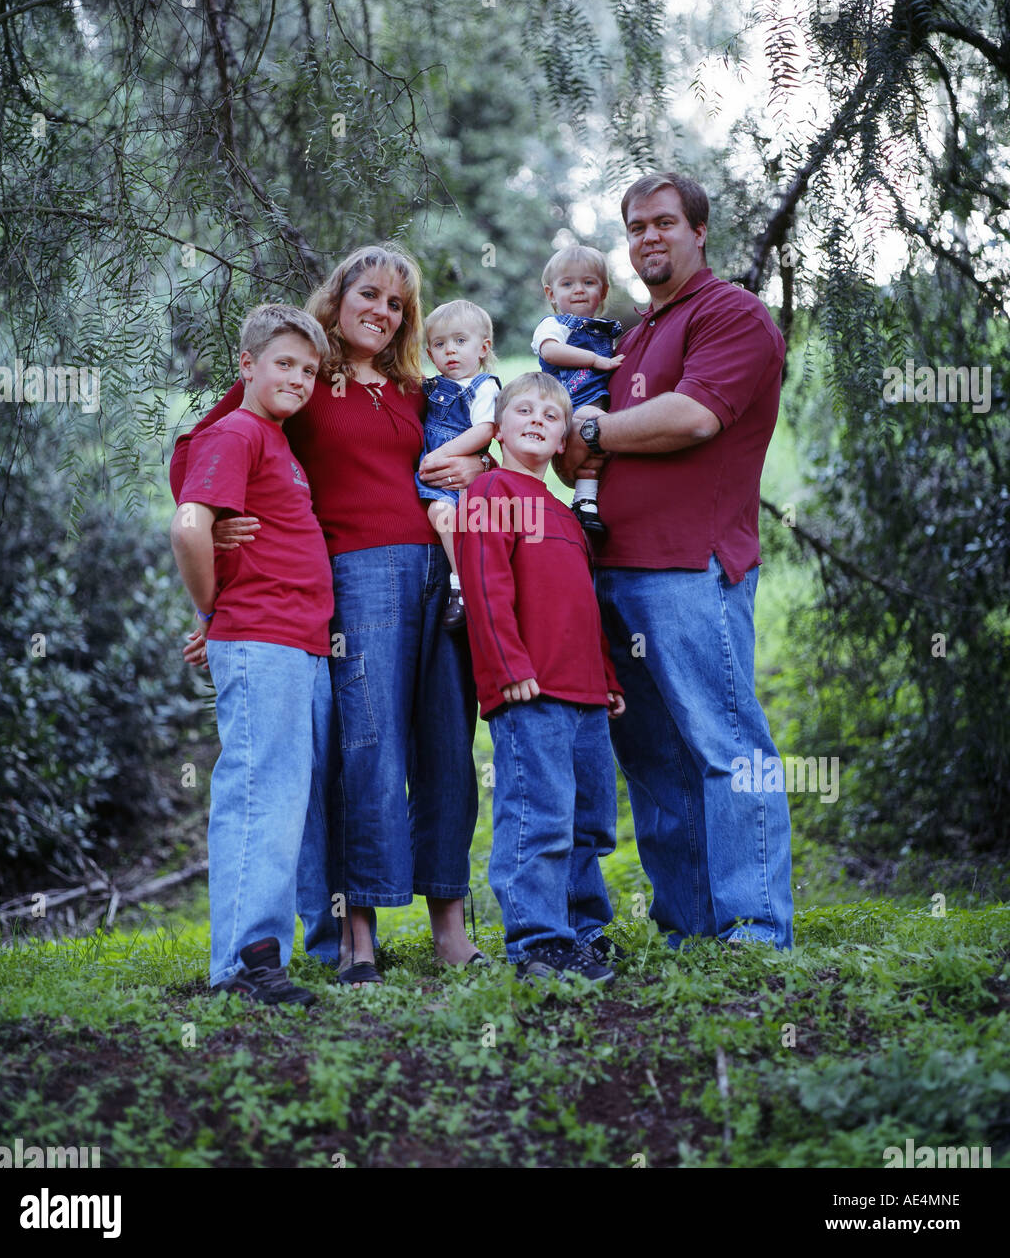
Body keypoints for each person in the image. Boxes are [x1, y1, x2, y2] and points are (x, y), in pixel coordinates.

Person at [170, 246, 484, 985]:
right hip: (353, 581)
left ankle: (449, 929)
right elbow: (199, 448)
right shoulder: (304, 377)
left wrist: (475, 466)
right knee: (366, 752)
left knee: (446, 748)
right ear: (336, 299)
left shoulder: (419, 389)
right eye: (368, 295)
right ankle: (356, 936)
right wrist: (214, 528)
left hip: (440, 571)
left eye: (397, 304)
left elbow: (480, 448)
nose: (382, 311)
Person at [558, 172, 795, 950]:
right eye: (635, 227)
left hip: (693, 570)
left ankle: (756, 928)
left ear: (699, 232)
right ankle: (689, 927)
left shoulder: (733, 315)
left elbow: (692, 418)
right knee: (654, 760)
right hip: (616, 572)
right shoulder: (627, 341)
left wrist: (590, 429)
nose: (648, 238)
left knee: (726, 747)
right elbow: (575, 458)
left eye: (664, 222)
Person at [170, 304, 333, 1004]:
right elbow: (187, 527)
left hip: (289, 640)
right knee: (259, 794)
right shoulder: (238, 430)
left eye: (308, 370)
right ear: (247, 366)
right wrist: (214, 613)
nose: (298, 379)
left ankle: (258, 957)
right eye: (284, 364)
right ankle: (244, 965)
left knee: (280, 796)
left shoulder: (273, 439)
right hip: (262, 638)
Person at [456, 372, 626, 983]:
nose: (535, 420)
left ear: (562, 442)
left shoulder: (566, 513)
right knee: (539, 813)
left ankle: (582, 930)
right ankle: (537, 939)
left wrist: (607, 677)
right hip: (530, 690)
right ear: (496, 431)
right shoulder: (488, 493)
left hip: (584, 694)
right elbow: (483, 585)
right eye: (521, 411)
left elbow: (583, 604)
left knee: (589, 820)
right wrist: (506, 668)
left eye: (550, 417)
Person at [414, 299, 500, 631]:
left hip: (454, 472)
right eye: (440, 344)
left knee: (461, 522)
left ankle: (462, 585)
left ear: (483, 347)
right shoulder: (430, 386)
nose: (450, 350)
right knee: (441, 515)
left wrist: (443, 455)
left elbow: (485, 430)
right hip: (434, 477)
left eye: (460, 341)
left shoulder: (484, 387)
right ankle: (463, 581)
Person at [532, 245, 624, 534]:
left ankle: (585, 503)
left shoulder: (605, 330)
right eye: (568, 284)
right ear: (551, 294)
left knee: (593, 455)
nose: (579, 290)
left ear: (604, 291)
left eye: (588, 282)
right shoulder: (555, 325)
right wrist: (596, 359)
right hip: (569, 401)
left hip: (594, 403)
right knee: (597, 430)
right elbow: (550, 352)